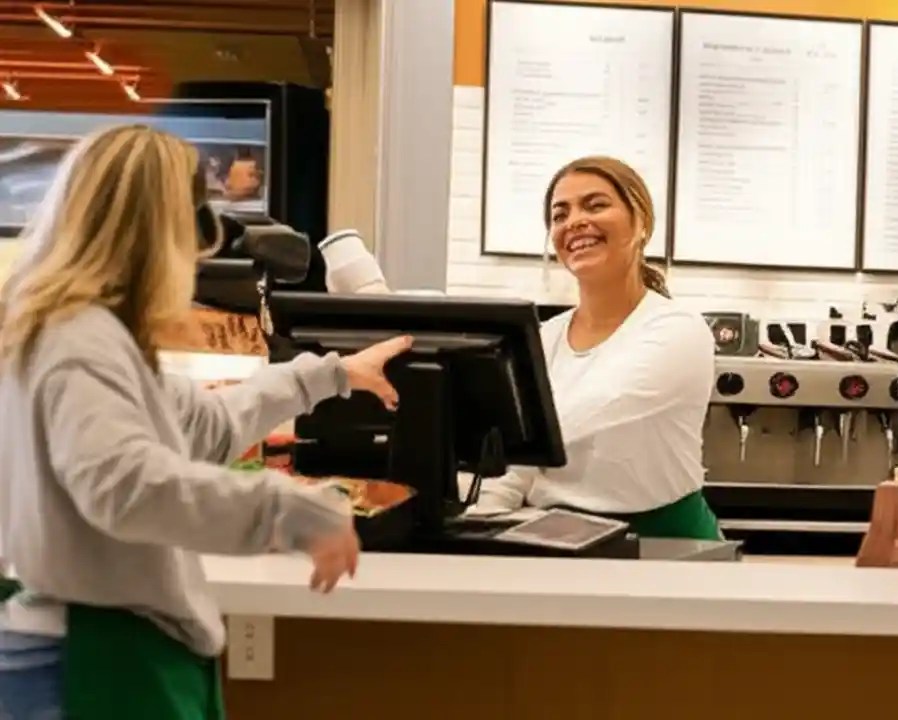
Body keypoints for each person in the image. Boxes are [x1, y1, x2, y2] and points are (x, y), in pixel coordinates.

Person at [0, 124, 411, 719]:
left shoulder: (77, 333)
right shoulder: (78, 340)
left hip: (93, 649)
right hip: (93, 664)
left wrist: (332, 375)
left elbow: (199, 425)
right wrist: (285, 510)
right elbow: (124, 485)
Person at [468, 155, 720, 540]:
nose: (574, 222)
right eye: (559, 214)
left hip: (666, 545)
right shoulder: (545, 338)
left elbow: (585, 417)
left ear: (642, 223)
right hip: (555, 538)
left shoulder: (678, 329)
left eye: (596, 205)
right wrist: (480, 521)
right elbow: (514, 467)